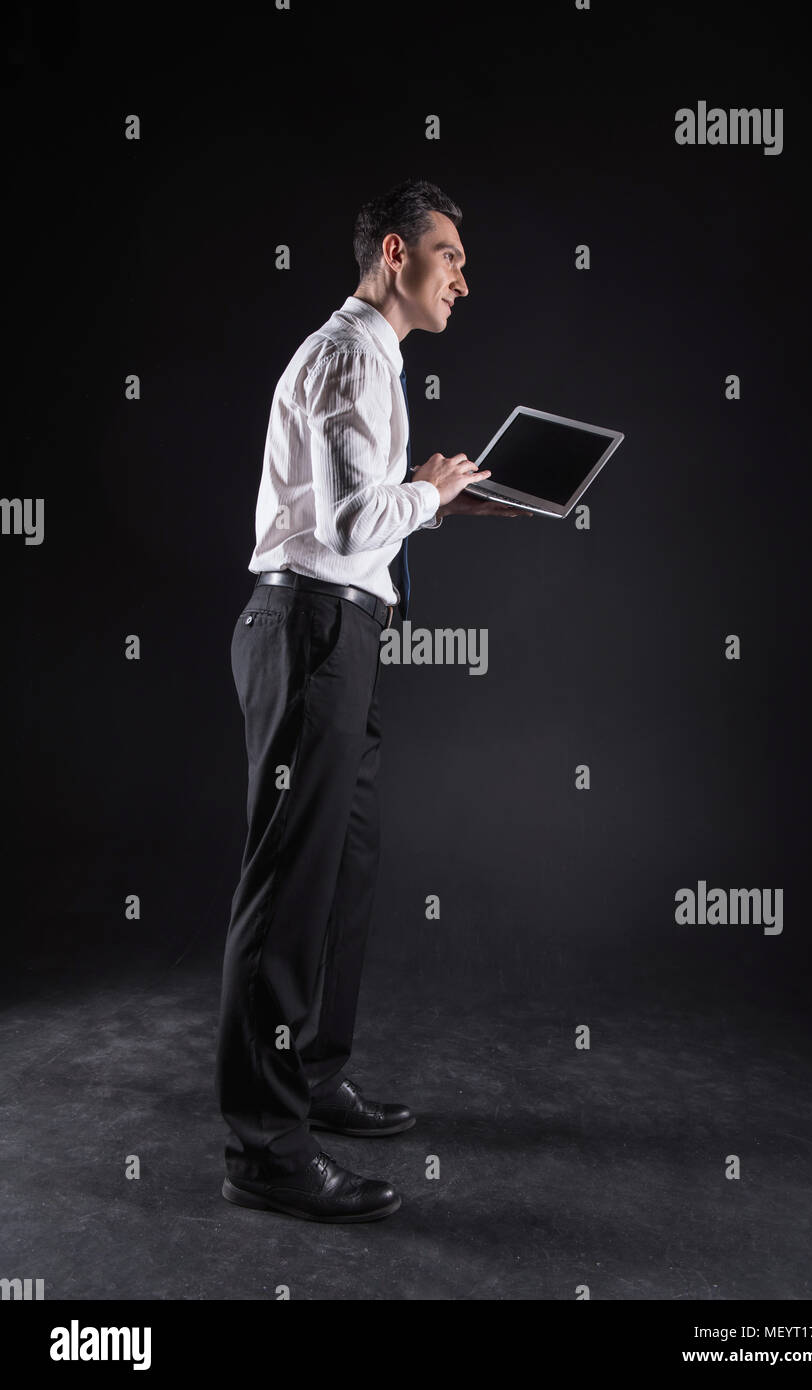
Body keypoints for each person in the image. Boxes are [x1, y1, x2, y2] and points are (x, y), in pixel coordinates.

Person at [215, 177, 526, 1224]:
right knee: (289, 882)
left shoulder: (370, 359)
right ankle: (263, 1147)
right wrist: (429, 492)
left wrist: (440, 507)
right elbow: (349, 527)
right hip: (307, 629)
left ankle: (308, 1079)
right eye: (449, 259)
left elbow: (355, 522)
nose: (463, 281)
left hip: (336, 631)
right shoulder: (352, 353)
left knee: (342, 866)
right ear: (396, 255)